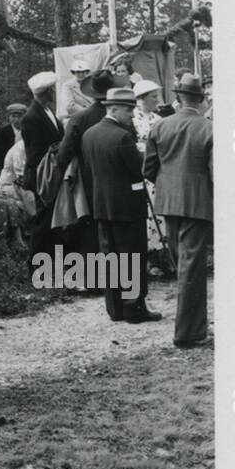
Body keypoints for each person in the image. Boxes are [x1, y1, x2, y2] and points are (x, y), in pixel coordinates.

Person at [143, 74, 213, 348]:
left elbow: (148, 168)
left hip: (168, 203)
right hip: (197, 204)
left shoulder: (160, 126)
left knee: (183, 266)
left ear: (179, 97)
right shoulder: (208, 128)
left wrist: (168, 187)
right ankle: (188, 333)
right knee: (191, 269)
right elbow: (216, 173)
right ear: (200, 99)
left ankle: (190, 329)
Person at [80, 87, 160, 325]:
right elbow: (138, 170)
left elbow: (89, 167)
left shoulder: (89, 134)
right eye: (128, 110)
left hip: (102, 205)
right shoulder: (123, 137)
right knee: (132, 256)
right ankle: (134, 308)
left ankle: (115, 309)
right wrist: (145, 156)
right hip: (128, 206)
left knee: (110, 257)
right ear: (113, 109)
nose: (131, 115)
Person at [55, 68, 116, 256]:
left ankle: (91, 268)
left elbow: (63, 154)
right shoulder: (121, 116)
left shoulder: (79, 118)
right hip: (117, 180)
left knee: (89, 224)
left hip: (88, 177)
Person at [21, 71, 63, 260]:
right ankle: (35, 263)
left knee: (51, 220)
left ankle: (50, 260)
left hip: (51, 173)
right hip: (43, 177)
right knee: (42, 222)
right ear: (46, 92)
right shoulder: (31, 117)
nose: (54, 92)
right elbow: (35, 155)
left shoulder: (47, 111)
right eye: (52, 89)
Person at [132, 78, 166, 264]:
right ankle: (145, 256)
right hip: (139, 171)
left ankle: (159, 254)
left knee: (157, 211)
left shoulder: (158, 119)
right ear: (142, 97)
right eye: (153, 96)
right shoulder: (132, 118)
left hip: (156, 172)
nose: (157, 100)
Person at [0, 102, 26, 170]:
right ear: (9, 117)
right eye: (13, 116)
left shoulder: (29, 131)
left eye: (19, 116)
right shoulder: (1, 133)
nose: (16, 119)